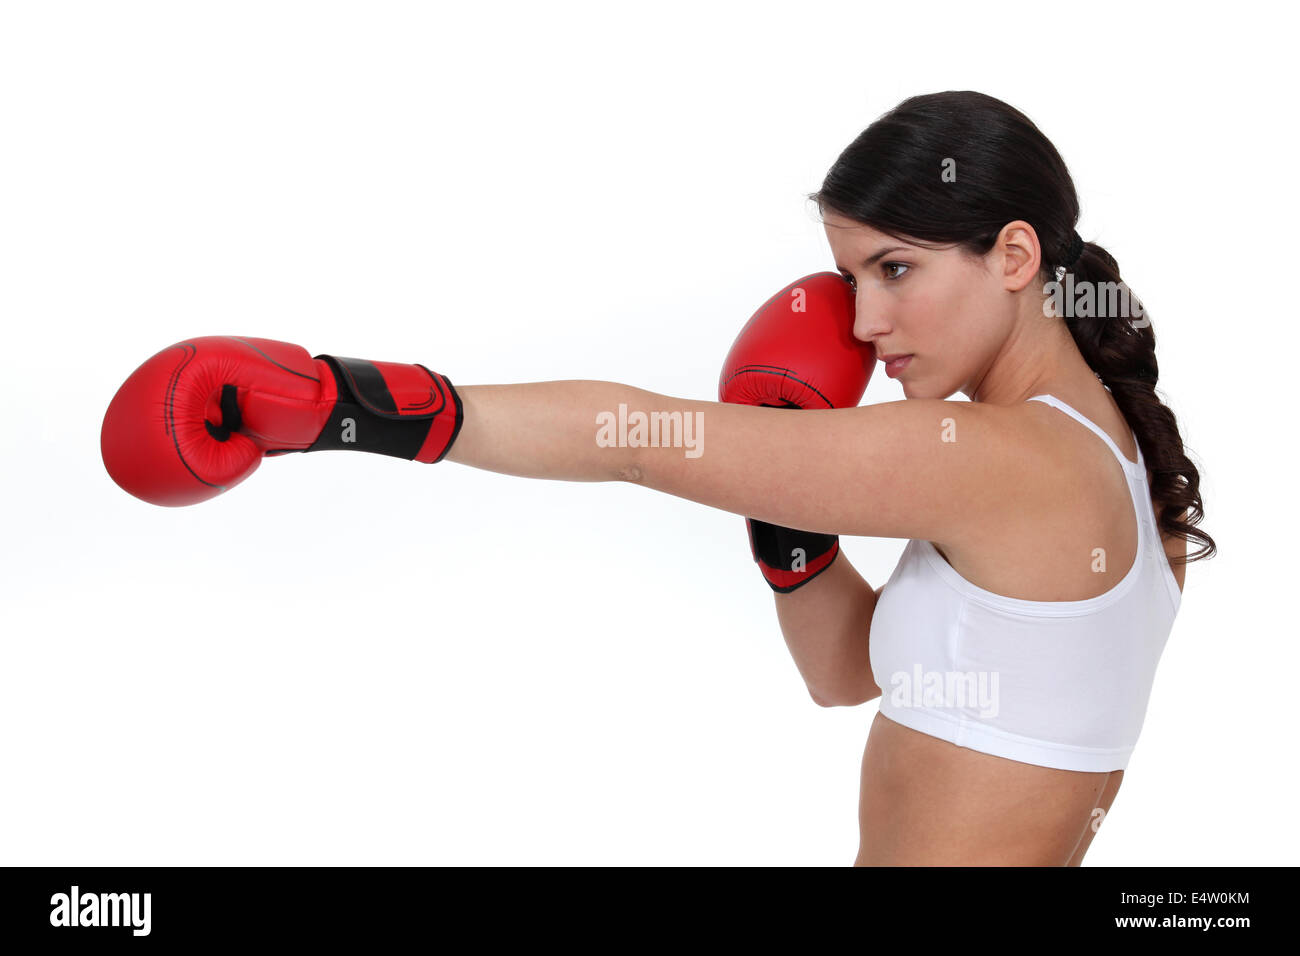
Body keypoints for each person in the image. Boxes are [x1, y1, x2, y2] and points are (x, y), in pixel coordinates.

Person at [101, 90, 1214, 865]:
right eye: (849, 278)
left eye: (895, 270)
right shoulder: (1119, 463)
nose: (865, 323)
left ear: (1013, 256)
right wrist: (785, 511)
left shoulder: (999, 460)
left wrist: (339, 404)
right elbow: (843, 674)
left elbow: (631, 438)